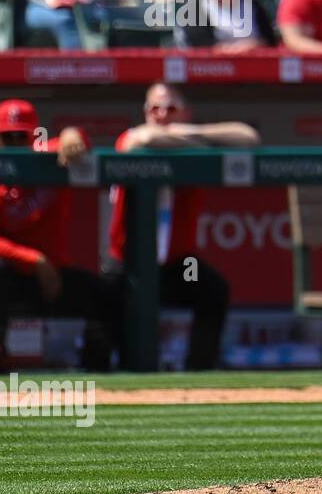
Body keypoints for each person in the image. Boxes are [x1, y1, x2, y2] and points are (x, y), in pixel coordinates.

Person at [106, 83, 258, 371]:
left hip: (178, 265)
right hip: (128, 261)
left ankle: (197, 373)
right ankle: (124, 373)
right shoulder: (131, 138)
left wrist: (186, 136)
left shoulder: (191, 144)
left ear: (186, 113)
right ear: (145, 112)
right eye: (154, 108)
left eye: (171, 109)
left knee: (213, 290)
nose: (161, 115)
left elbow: (247, 136)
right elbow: (140, 140)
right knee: (106, 298)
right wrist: (193, 139)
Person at [0, 98, 114, 372]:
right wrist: (35, 260)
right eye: (6, 137)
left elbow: (74, 140)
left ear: (34, 134)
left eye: (20, 136)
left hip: (53, 278)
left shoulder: (48, 159)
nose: (14, 142)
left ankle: (104, 367)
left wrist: (73, 135)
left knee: (107, 291)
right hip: (13, 276)